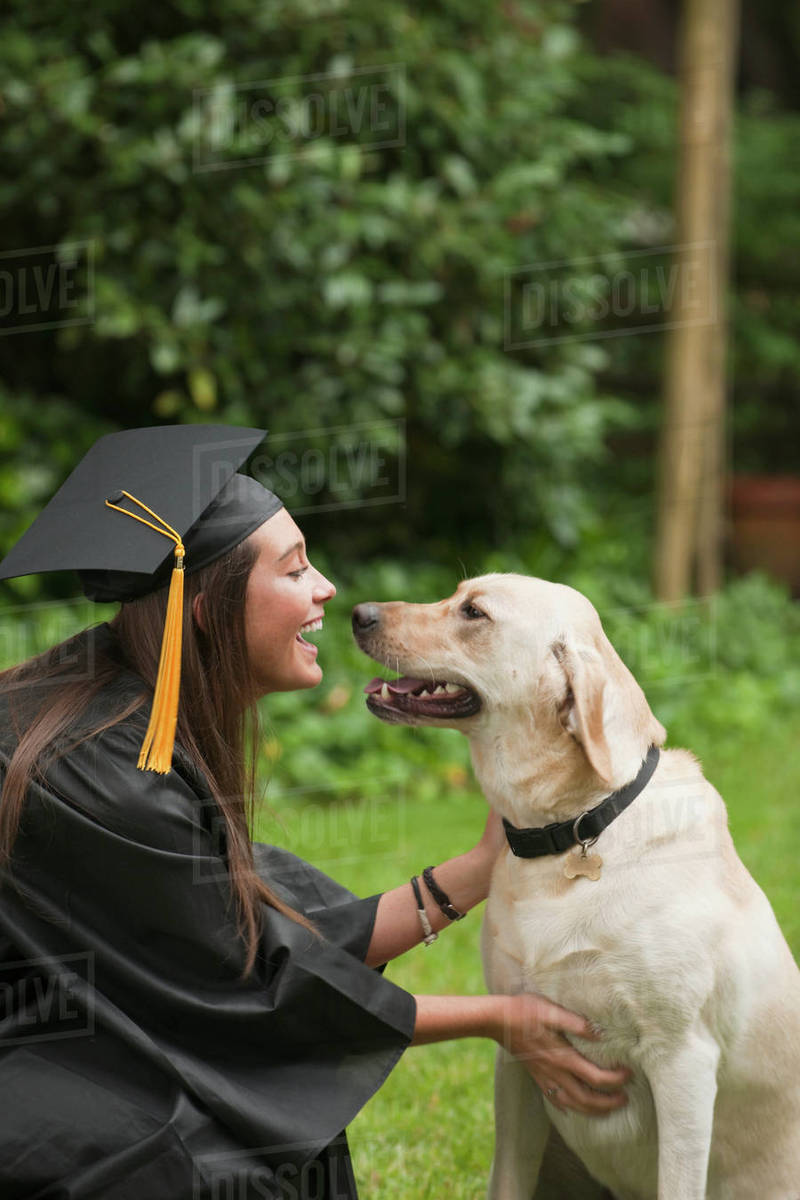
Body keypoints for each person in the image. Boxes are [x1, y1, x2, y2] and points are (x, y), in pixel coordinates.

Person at [0, 425, 629, 1199]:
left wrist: (477, 869)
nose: (327, 588)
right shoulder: (101, 771)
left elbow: (256, 933)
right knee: (218, 1158)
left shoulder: (121, 703)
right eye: (295, 569)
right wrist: (501, 1017)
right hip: (30, 1076)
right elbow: (249, 996)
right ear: (208, 610)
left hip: (67, 1040)